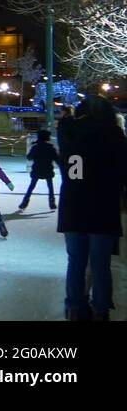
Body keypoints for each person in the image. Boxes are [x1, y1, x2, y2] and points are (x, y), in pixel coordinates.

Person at [57, 95, 127, 321]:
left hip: (73, 206)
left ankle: (75, 307)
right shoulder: (113, 134)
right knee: (100, 264)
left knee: (76, 262)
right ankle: (100, 310)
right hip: (103, 207)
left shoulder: (68, 132)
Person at [19, 128, 59, 211]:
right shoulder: (50, 148)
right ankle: (52, 203)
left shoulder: (36, 147)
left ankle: (24, 202)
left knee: (31, 186)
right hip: (48, 170)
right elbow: (57, 159)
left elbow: (29, 157)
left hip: (37, 170)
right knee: (50, 187)